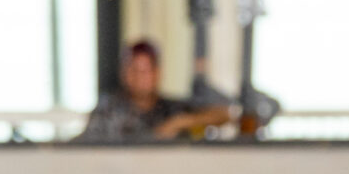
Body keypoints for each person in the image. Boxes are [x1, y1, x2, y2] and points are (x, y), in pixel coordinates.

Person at [77, 39, 235, 142]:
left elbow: (226, 114)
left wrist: (179, 123)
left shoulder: (173, 109)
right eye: (134, 69)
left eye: (147, 69)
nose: (140, 76)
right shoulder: (107, 110)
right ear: (124, 73)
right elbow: (82, 150)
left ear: (158, 72)